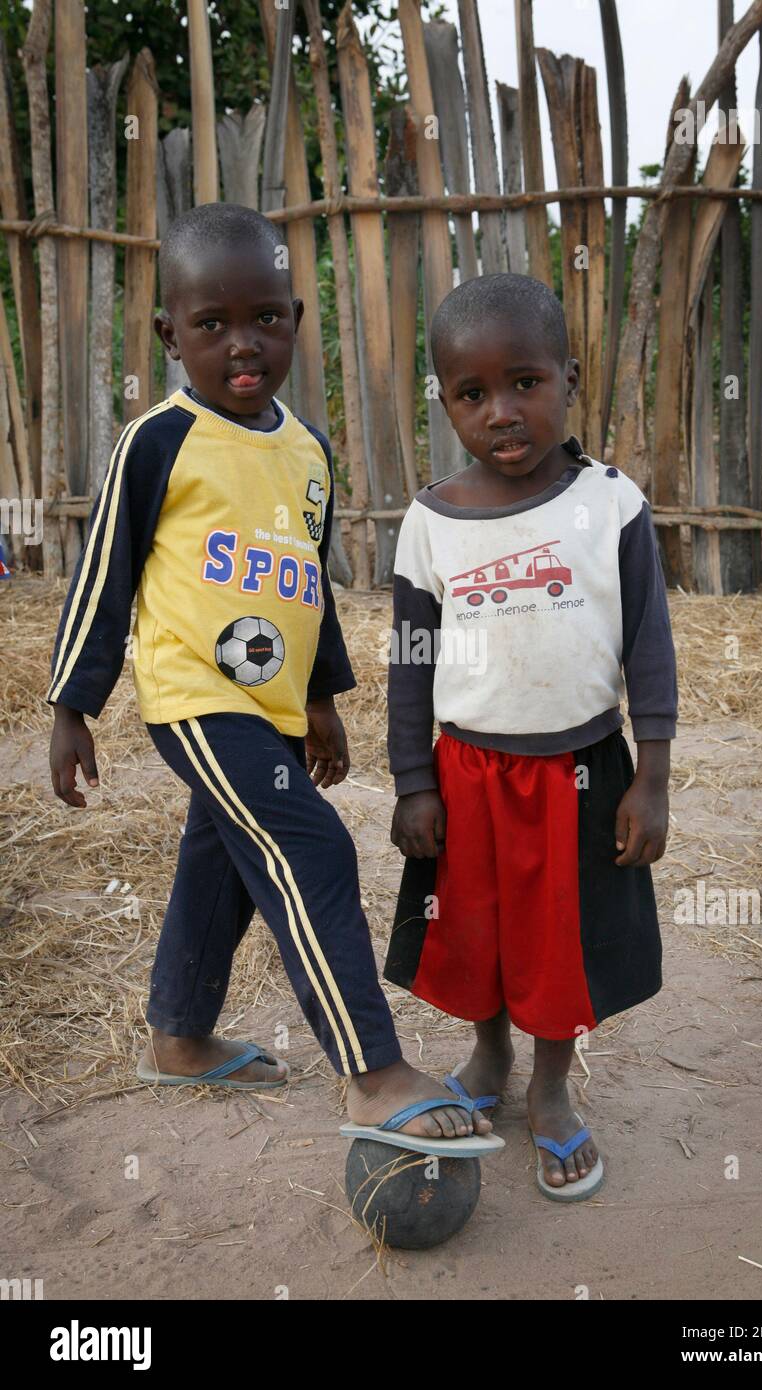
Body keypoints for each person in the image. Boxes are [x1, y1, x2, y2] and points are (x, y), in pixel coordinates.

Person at [46, 202, 491, 1145]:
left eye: (266, 319)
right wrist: (72, 704)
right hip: (194, 698)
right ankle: (372, 1072)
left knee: (222, 860)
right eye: (212, 325)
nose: (241, 344)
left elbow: (311, 587)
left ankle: (178, 1039)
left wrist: (320, 700)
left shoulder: (308, 452)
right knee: (312, 846)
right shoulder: (157, 441)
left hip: (270, 707)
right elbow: (104, 575)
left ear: (295, 315)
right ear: (171, 336)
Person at [386, 272, 677, 1197]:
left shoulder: (611, 505)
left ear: (570, 377)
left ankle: (551, 1090)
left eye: (525, 383)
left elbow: (649, 649)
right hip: (466, 769)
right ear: (446, 404)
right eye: (473, 394)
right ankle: (489, 1059)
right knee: (470, 931)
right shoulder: (430, 521)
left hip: (582, 771)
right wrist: (411, 782)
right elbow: (411, 661)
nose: (502, 411)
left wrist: (653, 777)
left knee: (561, 939)